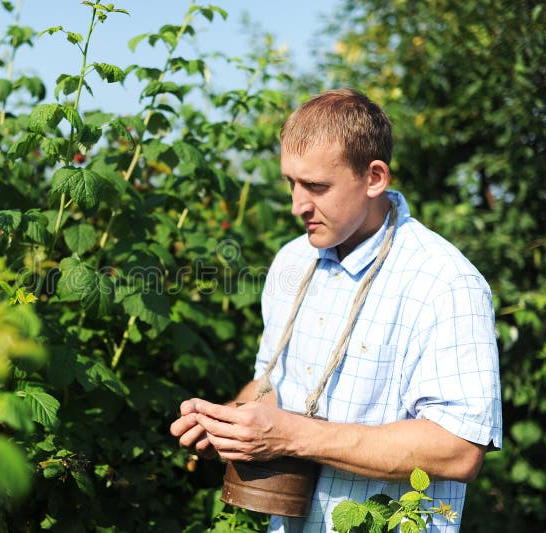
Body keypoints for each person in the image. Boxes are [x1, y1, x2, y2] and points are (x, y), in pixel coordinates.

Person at [170, 88, 502, 532]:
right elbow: (274, 386)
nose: (297, 205)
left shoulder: (445, 282)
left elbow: (458, 450)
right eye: (291, 182)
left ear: (374, 178)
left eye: (317, 186)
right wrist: (230, 423)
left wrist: (291, 436)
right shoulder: (292, 261)